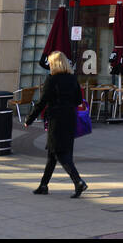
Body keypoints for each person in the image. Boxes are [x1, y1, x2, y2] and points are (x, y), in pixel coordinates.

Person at [24, 50, 88, 197]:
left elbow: (42, 102)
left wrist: (30, 119)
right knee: (52, 154)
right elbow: (79, 100)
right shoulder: (72, 79)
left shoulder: (52, 80)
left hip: (56, 119)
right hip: (70, 117)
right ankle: (43, 185)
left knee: (59, 153)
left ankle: (78, 182)